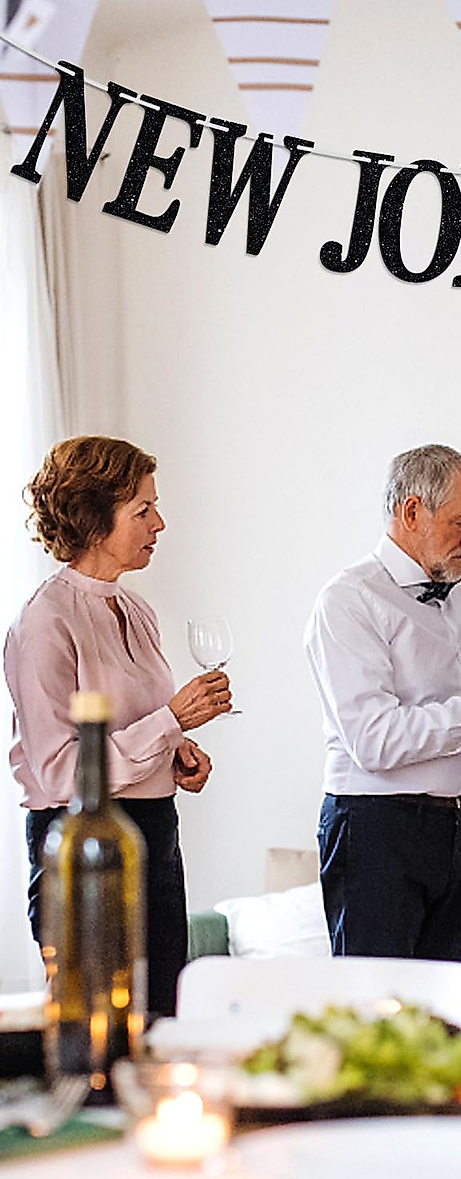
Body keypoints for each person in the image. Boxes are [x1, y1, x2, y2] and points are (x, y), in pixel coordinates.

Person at [4, 436, 233, 1017]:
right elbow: (60, 773)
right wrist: (170, 721)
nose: (160, 522)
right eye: (143, 510)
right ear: (93, 519)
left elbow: (140, 725)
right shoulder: (44, 622)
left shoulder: (136, 609)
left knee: (159, 1017)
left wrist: (179, 750)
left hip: (156, 835)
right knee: (98, 1024)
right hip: (83, 848)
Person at [304, 444, 461, 961]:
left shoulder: (460, 598)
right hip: (376, 829)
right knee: (374, 1017)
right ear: (412, 511)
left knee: (446, 1016)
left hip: (459, 831)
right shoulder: (348, 600)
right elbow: (375, 742)